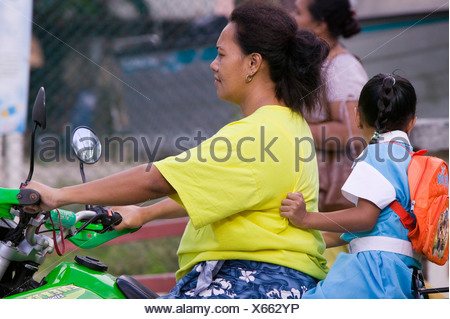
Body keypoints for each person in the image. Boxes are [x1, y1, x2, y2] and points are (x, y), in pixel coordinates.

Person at [25, 2, 330, 299]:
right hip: (277, 282)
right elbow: (217, 189)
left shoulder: (254, 134)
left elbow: (155, 180)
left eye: (221, 55)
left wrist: (59, 195)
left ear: (253, 63)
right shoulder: (290, 123)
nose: (214, 64)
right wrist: (144, 213)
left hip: (245, 281)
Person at [280, 73, 422, 298]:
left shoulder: (377, 155)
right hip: (402, 273)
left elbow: (365, 218)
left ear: (357, 116)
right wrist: (315, 241)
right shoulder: (411, 159)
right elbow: (382, 225)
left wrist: (306, 218)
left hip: (373, 271)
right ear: (412, 122)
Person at [284, 0, 369, 266]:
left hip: (338, 216)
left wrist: (290, 129)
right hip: (317, 211)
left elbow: (353, 134)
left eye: (298, 12)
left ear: (320, 25)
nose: (290, 16)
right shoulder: (317, 65)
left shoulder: (342, 68)